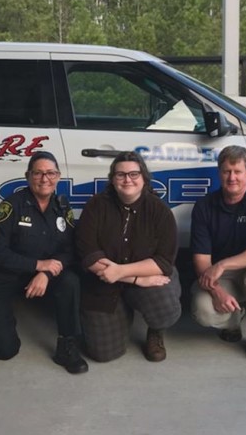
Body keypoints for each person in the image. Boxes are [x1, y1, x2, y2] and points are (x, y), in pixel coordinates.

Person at [0, 152, 88, 374]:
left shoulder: (63, 207)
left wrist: (46, 273)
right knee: (3, 350)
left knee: (70, 282)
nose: (45, 179)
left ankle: (67, 345)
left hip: (42, 273)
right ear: (28, 176)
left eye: (51, 173)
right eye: (38, 173)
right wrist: (38, 265)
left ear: (59, 177)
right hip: (4, 274)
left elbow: (69, 250)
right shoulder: (11, 206)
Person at [75, 151, 181, 362]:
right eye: (120, 175)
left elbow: (163, 262)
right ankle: (122, 312)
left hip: (136, 276)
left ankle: (155, 330)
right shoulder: (96, 206)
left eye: (134, 174)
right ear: (113, 179)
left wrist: (121, 271)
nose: (127, 179)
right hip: (104, 281)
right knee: (103, 354)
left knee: (165, 310)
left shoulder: (160, 211)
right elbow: (88, 255)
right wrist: (136, 279)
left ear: (144, 178)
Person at [190, 146, 246, 362]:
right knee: (202, 310)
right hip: (222, 279)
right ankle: (234, 318)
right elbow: (201, 261)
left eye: (238, 171)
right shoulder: (204, 206)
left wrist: (222, 265)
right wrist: (217, 293)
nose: (232, 177)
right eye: (226, 171)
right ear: (219, 173)